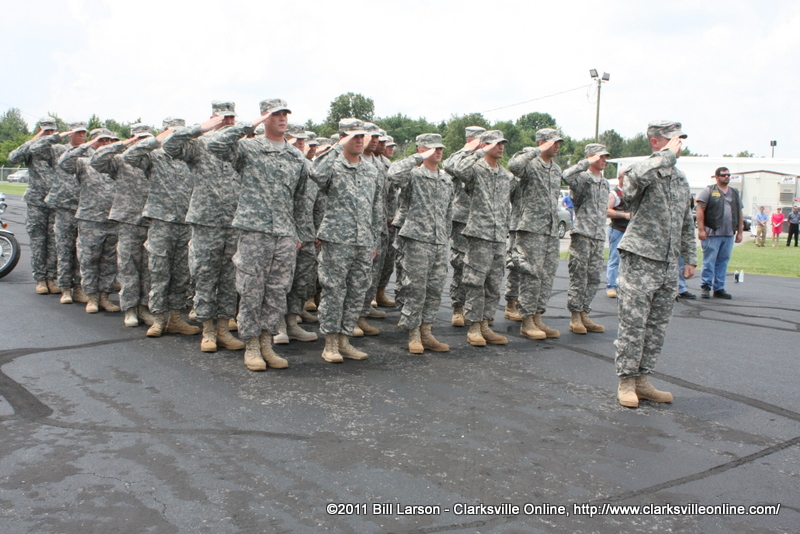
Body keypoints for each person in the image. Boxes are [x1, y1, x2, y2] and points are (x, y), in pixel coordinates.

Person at [207, 99, 309, 372]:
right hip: (255, 231)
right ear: (264, 117)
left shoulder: (295, 156)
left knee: (277, 292)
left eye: (285, 114)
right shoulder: (248, 148)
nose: (282, 118)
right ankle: (251, 344)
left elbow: (300, 199)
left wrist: (298, 233)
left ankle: (267, 343)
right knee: (252, 290)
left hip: (284, 233)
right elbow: (215, 145)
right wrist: (248, 125)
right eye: (276, 114)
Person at [614, 120, 696, 409]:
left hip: (667, 262)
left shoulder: (680, 178)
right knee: (633, 324)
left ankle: (642, 379)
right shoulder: (643, 171)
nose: (679, 145)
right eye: (673, 139)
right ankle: (626, 381)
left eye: (680, 140)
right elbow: (632, 180)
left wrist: (690, 257)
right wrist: (666, 156)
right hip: (640, 259)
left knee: (657, 326)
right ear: (656, 141)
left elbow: (686, 221)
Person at [163, 101, 241, 354]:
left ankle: (223, 329)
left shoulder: (240, 147)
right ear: (212, 118)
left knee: (229, 279)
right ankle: (207, 329)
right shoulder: (199, 145)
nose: (228, 122)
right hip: (206, 222)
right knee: (205, 276)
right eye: (223, 118)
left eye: (231, 118)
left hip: (234, 222)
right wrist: (199, 129)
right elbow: (170, 145)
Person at [309, 118, 383, 363]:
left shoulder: (370, 170)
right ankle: (330, 343)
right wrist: (336, 148)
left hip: (363, 240)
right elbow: (315, 173)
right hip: (337, 240)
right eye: (354, 136)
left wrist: (374, 241)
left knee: (357, 291)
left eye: (362, 136)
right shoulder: (333, 165)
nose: (360, 141)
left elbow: (375, 208)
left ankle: (345, 339)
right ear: (343, 138)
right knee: (334, 291)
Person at [123, 118, 204, 338]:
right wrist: (154, 141)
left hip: (185, 222)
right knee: (159, 272)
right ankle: (158, 318)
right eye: (172, 133)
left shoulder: (190, 158)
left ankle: (175, 318)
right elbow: (129, 156)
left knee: (181, 274)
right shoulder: (154, 156)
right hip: (161, 222)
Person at [449, 130, 515, 346]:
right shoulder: (476, 169)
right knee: (475, 281)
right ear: (485, 145)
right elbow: (456, 168)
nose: (500, 147)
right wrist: (477, 151)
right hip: (479, 235)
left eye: (502, 143)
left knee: (494, 283)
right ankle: (474, 326)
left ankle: (486, 323)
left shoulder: (505, 175)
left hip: (498, 236)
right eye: (495, 144)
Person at [387, 133, 453, 354]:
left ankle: (427, 331)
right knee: (415, 288)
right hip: (416, 239)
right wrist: (418, 158)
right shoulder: (413, 175)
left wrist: (445, 236)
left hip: (439, 241)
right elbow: (393, 173)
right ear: (420, 149)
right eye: (432, 148)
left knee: (434, 289)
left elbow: (448, 212)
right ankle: (413, 332)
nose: (438, 151)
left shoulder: (445, 179)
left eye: (440, 148)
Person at [90, 124, 154, 328]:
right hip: (128, 219)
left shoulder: (155, 159)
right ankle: (130, 308)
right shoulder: (120, 160)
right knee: (128, 266)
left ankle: (144, 307)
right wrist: (123, 144)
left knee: (148, 268)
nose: (143, 142)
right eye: (139, 138)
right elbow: (97, 161)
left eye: (146, 138)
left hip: (151, 219)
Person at [507, 128, 564, 341]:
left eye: (558, 142)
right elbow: (514, 166)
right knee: (530, 274)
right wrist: (537, 150)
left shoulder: (556, 169)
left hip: (550, 229)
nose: (556, 146)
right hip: (530, 228)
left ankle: (538, 315)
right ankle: (527, 319)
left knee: (547, 275)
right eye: (552, 142)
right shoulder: (529, 163)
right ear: (541, 142)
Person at [58, 128, 120, 314]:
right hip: (90, 219)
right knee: (89, 259)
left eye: (108, 140)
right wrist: (87, 145)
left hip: (112, 218)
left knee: (109, 262)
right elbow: (64, 163)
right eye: (101, 140)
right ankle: (91, 296)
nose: (105, 144)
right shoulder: (83, 162)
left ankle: (105, 296)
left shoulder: (117, 162)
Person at [8, 117, 62, 294]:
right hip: (36, 201)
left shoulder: (57, 149)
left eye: (51, 130)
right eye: (45, 130)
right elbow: (13, 158)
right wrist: (34, 139)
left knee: (53, 242)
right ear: (39, 130)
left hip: (54, 202)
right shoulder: (31, 148)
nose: (49, 133)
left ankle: (51, 278)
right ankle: (40, 279)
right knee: (38, 241)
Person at [561, 143, 611, 334]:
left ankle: (584, 312)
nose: (604, 160)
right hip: (583, 234)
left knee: (594, 278)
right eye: (600, 157)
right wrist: (585, 162)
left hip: (598, 236)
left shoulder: (604, 183)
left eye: (605, 157)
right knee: (579, 277)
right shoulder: (583, 178)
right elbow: (566, 175)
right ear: (591, 157)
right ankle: (575, 315)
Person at [443, 126, 486, 328]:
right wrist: (468, 150)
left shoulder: (484, 159)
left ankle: (476, 310)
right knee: (460, 263)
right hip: (462, 218)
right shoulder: (459, 158)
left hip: (482, 219)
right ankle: (458, 307)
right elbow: (449, 166)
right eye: (478, 141)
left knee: (481, 267)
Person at [45, 121, 89, 303]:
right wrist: (60, 134)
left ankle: (79, 287)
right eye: (77, 132)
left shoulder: (90, 153)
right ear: (70, 133)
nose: (81, 136)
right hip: (64, 207)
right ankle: (65, 288)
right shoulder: (59, 150)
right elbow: (35, 148)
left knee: (81, 252)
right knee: (64, 249)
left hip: (83, 208)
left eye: (83, 133)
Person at [695, 167, 743, 300]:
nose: (727, 177)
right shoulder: (709, 191)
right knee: (709, 261)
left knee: (723, 261)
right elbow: (700, 210)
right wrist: (701, 229)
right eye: (723, 175)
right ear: (716, 177)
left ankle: (719, 288)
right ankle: (706, 286)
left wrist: (740, 231)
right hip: (712, 232)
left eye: (728, 175)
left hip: (728, 233)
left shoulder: (734, 192)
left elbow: (739, 212)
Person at [605, 170, 630, 298]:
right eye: (625, 177)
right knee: (615, 259)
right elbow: (607, 211)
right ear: (620, 178)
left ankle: (624, 286)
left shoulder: (631, 193)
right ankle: (611, 286)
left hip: (630, 232)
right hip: (617, 230)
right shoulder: (614, 194)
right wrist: (624, 215)